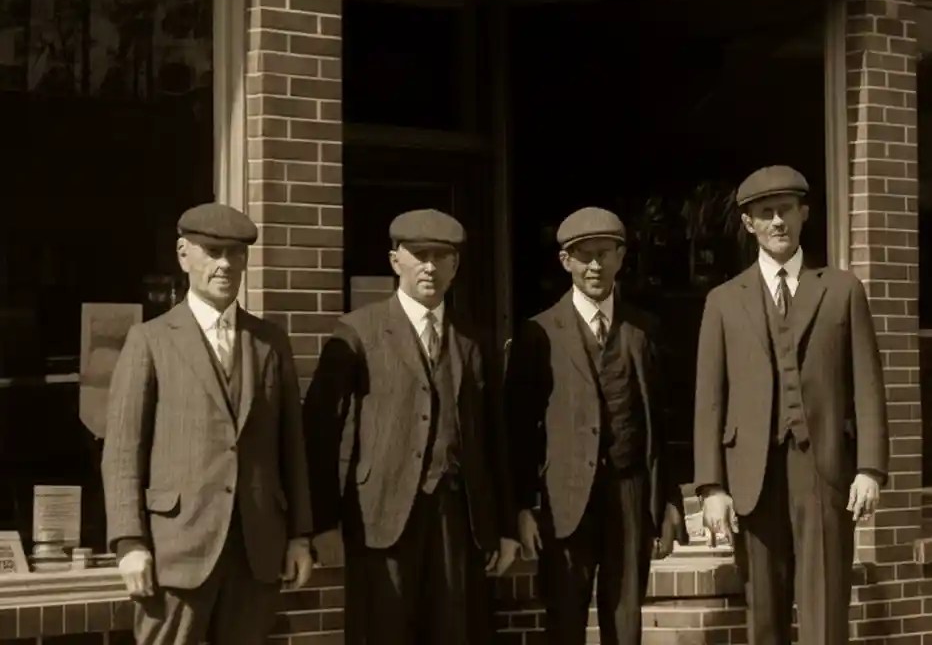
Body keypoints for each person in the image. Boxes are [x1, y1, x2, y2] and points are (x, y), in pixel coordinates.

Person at [303, 208, 519, 644]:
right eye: (419, 254)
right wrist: (323, 523)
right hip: (379, 518)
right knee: (381, 632)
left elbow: (497, 439)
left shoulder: (473, 341)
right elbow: (321, 434)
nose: (430, 266)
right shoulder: (356, 333)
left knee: (454, 632)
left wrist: (505, 527)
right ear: (394, 260)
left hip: (456, 518)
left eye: (441, 256)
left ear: (455, 266)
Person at [692, 166, 889, 645]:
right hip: (751, 476)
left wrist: (870, 468)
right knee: (763, 611)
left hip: (824, 469)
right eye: (765, 213)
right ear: (749, 223)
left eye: (785, 210)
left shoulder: (841, 290)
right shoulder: (723, 301)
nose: (777, 221)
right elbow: (709, 400)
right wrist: (712, 486)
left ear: (804, 214)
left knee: (826, 610)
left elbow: (868, 384)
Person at [102, 202, 314, 645]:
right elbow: (123, 450)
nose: (225, 264)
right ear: (183, 254)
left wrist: (298, 535)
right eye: (213, 251)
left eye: (235, 254)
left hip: (255, 547)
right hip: (178, 548)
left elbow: (291, 446)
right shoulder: (151, 340)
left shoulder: (269, 342)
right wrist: (129, 542)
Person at [505, 207, 687, 645]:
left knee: (625, 619)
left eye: (604, 254)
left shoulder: (644, 330)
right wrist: (520, 508)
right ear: (565, 261)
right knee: (564, 618)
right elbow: (516, 430)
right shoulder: (537, 334)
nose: (594, 266)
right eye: (583, 256)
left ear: (621, 257)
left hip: (629, 492)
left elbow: (661, 422)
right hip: (564, 498)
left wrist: (668, 501)